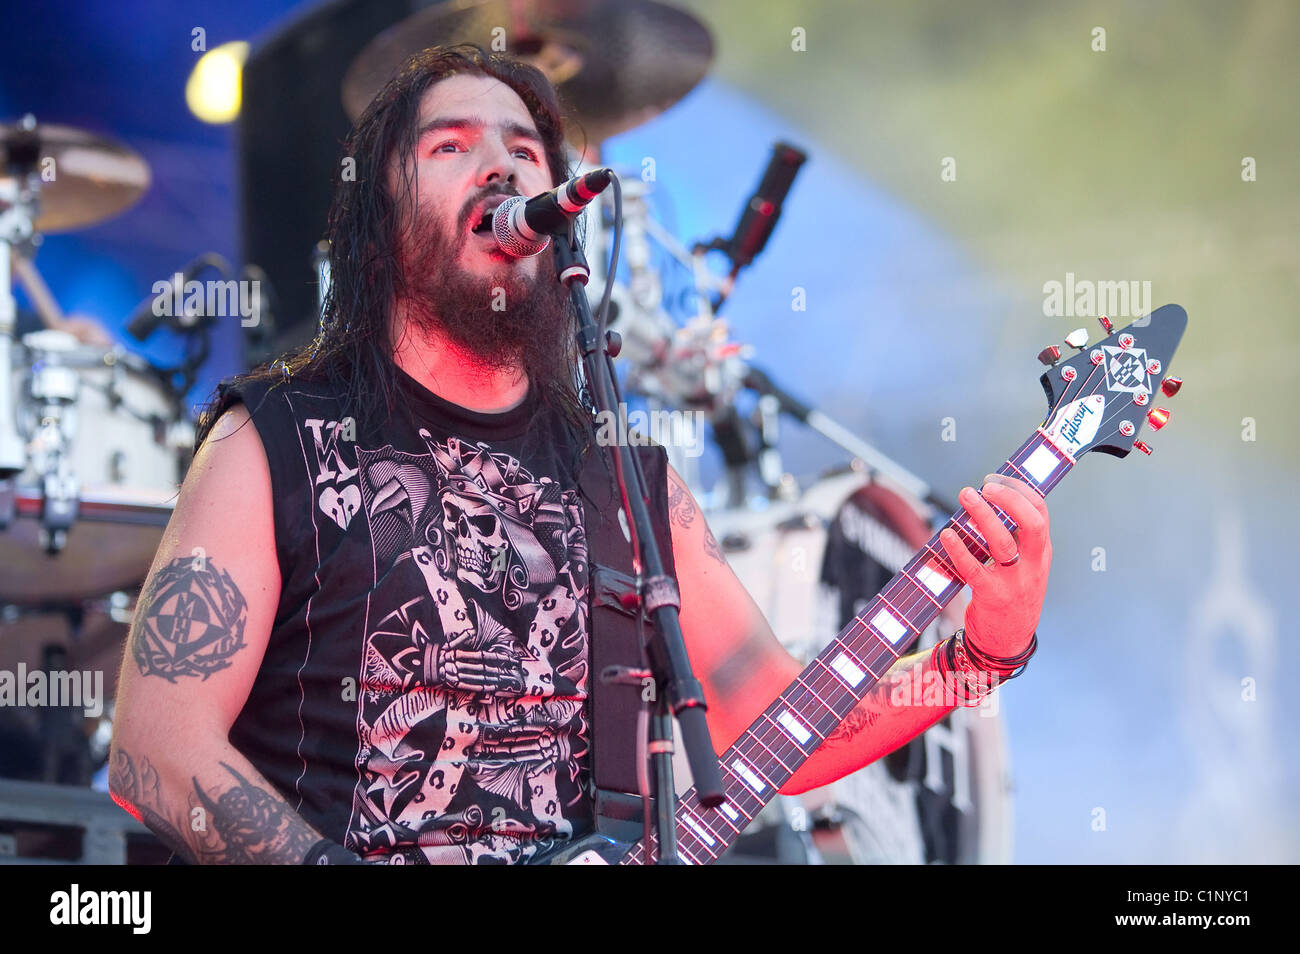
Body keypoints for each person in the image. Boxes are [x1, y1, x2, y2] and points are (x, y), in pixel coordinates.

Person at [107, 44, 1052, 865]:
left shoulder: (624, 481)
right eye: (451, 147)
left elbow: (776, 721)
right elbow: (156, 749)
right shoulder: (273, 437)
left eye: (524, 152)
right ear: (376, 223)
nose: (502, 169)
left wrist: (980, 654)